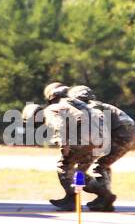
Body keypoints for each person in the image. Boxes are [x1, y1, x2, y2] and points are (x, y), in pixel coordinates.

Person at [67, 85, 135, 212]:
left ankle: (105, 196)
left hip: (119, 135)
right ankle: (105, 199)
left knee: (84, 170)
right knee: (102, 165)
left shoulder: (91, 108)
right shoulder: (99, 105)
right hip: (128, 134)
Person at [36, 81, 96, 211]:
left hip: (85, 138)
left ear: (52, 98)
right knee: (80, 172)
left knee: (64, 165)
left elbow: (59, 127)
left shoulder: (54, 108)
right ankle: (105, 195)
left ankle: (72, 200)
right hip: (101, 139)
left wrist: (64, 147)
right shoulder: (78, 103)